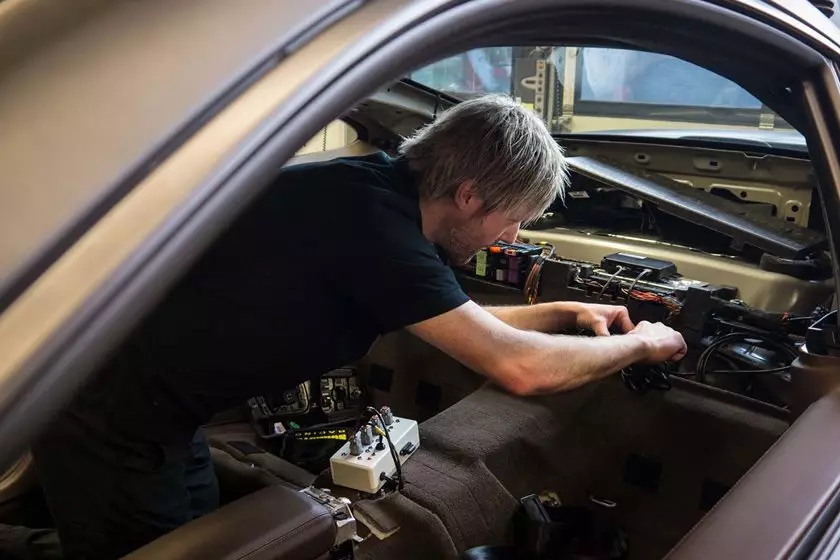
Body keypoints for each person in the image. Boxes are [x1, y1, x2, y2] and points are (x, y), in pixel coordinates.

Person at [31, 94, 686, 559]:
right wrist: (644, 342)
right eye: (512, 218)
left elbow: (450, 319)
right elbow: (519, 365)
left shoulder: (379, 194)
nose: (512, 237)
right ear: (467, 196)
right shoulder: (373, 228)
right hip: (111, 420)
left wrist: (567, 312)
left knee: (204, 531)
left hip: (166, 414)